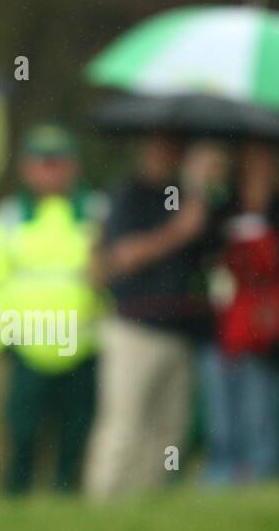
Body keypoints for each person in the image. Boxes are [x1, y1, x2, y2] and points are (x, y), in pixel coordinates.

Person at [0, 124, 106, 494]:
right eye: (42, 163)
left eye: (58, 162)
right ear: (27, 169)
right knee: (22, 438)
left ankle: (67, 508)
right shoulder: (6, 219)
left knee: (75, 438)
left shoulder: (96, 213)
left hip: (85, 350)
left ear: (73, 167)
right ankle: (16, 508)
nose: (50, 171)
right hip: (25, 352)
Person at [85, 134, 212, 498]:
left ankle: (148, 502)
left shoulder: (189, 197)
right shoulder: (128, 195)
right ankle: (105, 500)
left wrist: (200, 191)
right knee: (124, 425)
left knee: (169, 431)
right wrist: (179, 230)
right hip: (134, 329)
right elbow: (123, 256)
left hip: (180, 329)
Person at [200, 140, 279, 484]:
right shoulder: (219, 208)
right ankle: (222, 481)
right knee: (222, 417)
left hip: (264, 329)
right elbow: (206, 257)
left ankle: (261, 478)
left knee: (261, 414)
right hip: (223, 328)